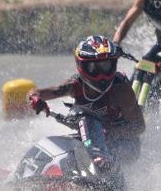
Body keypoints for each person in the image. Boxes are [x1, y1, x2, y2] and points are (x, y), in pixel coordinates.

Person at [26, 35, 145, 166]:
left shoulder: (121, 90)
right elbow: (38, 93)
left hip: (126, 145)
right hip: (92, 140)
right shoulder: (74, 85)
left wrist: (107, 130)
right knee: (66, 147)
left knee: (87, 121)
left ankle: (105, 172)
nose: (101, 75)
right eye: (94, 68)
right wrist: (35, 99)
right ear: (81, 65)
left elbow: (138, 128)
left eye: (105, 66)